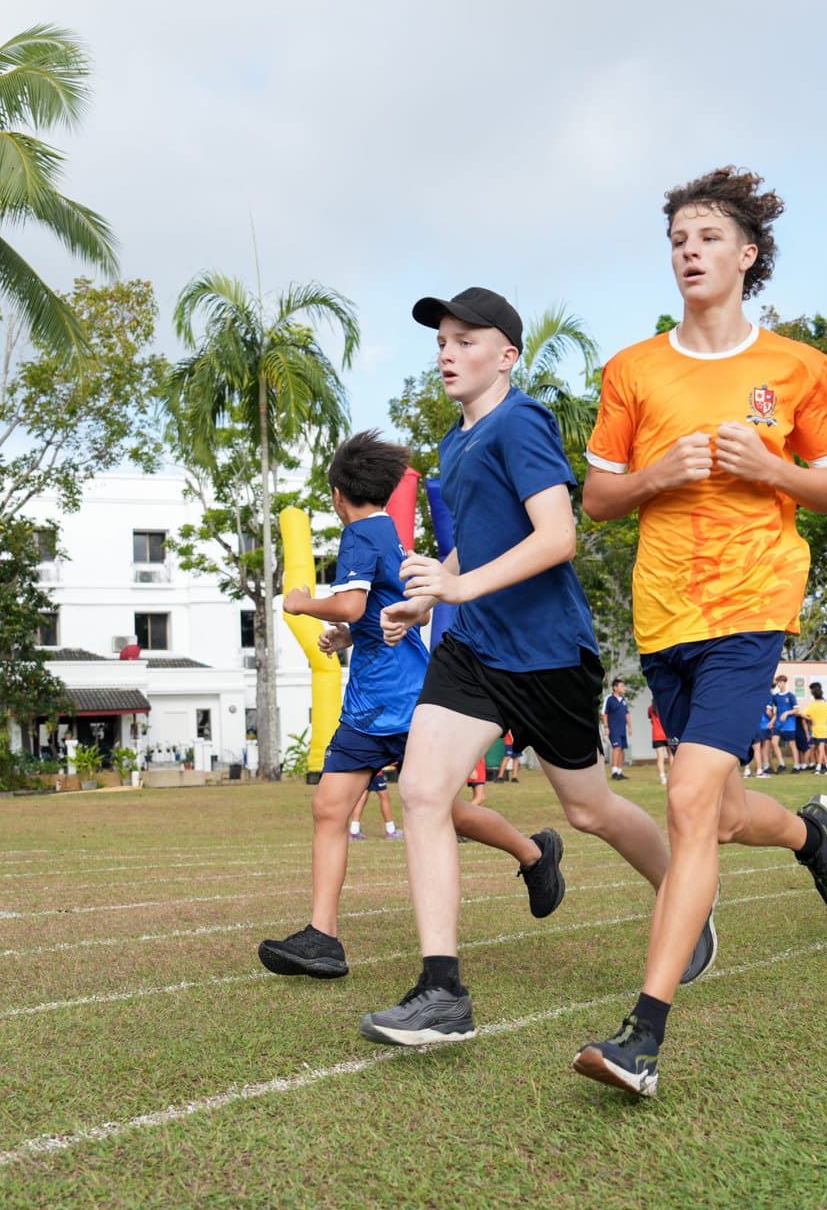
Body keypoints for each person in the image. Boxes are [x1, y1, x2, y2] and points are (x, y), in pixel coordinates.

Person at [572, 166, 827, 1097]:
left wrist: (770, 470)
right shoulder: (633, 370)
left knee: (689, 801)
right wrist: (656, 472)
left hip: (752, 606)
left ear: (747, 255)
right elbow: (598, 500)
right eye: (677, 240)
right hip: (664, 615)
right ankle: (810, 836)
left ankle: (641, 1036)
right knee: (722, 809)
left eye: (706, 239)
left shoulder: (797, 369)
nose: (689, 252)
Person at [357, 287, 695, 1047]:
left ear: (506, 355)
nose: (446, 353)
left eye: (465, 341)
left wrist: (458, 586)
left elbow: (557, 535)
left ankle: (685, 893)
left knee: (589, 810)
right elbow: (475, 545)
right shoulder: (457, 441)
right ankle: (442, 991)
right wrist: (431, 600)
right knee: (420, 791)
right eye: (441, 341)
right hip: (475, 648)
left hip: (546, 654)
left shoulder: (523, 422)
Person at [259, 430, 562, 981]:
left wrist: (301, 602)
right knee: (330, 807)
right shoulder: (390, 537)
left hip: (401, 703)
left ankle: (536, 854)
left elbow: (351, 603)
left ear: (336, 493)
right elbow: (395, 613)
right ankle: (322, 938)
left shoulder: (359, 536)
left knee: (447, 813)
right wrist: (349, 638)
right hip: (370, 702)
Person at [799, 681, 827, 775]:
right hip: (824, 729)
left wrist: (810, 718)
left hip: (816, 729)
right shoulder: (826, 705)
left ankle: (819, 768)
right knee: (820, 749)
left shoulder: (812, 705)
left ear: (813, 695)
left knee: (820, 749)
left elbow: (803, 714)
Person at [347, 771, 402, 840]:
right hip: (375, 771)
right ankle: (391, 831)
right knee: (385, 798)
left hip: (364, 772)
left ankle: (354, 831)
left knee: (362, 796)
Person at [767, 674, 798, 773]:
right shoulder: (775, 697)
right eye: (778, 682)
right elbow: (776, 712)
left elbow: (796, 710)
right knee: (774, 742)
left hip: (789, 724)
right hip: (778, 724)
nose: (779, 684)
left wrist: (787, 713)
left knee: (792, 744)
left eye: (781, 682)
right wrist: (772, 721)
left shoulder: (791, 696)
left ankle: (796, 766)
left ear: (785, 683)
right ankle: (782, 764)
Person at [604, 678, 631, 779]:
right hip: (613, 729)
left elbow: (626, 714)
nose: (623, 688)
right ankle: (614, 772)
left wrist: (630, 726)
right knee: (617, 748)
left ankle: (620, 772)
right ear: (615, 688)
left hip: (622, 729)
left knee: (622, 749)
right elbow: (604, 714)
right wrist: (606, 727)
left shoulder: (623, 700)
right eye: (621, 686)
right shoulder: (609, 699)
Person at [649, 707, 672, 785]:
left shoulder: (650, 708)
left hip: (657, 735)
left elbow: (651, 720)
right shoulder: (665, 705)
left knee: (660, 758)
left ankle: (663, 778)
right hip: (668, 733)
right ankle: (672, 776)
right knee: (671, 756)